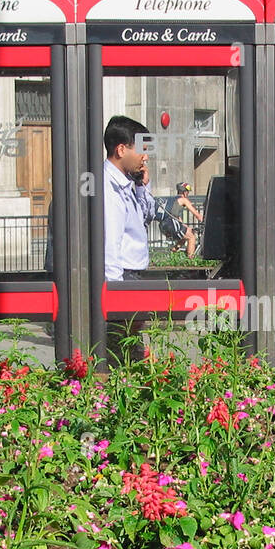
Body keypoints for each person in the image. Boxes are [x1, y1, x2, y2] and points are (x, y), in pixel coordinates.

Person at [103, 115, 155, 365]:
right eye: (142, 150)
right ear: (121, 149)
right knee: (123, 358)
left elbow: (146, 215)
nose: (145, 157)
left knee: (133, 354)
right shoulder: (108, 188)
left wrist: (142, 187)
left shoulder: (126, 185)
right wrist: (115, 294)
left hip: (131, 277)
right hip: (121, 277)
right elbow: (109, 247)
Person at [166, 182, 203, 259]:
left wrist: (186, 227)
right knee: (191, 237)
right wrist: (203, 219)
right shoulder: (184, 200)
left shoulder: (173, 199)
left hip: (165, 225)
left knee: (184, 235)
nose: (188, 193)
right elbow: (196, 214)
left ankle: (172, 253)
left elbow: (175, 216)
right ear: (185, 192)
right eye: (187, 192)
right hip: (172, 224)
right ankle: (190, 260)